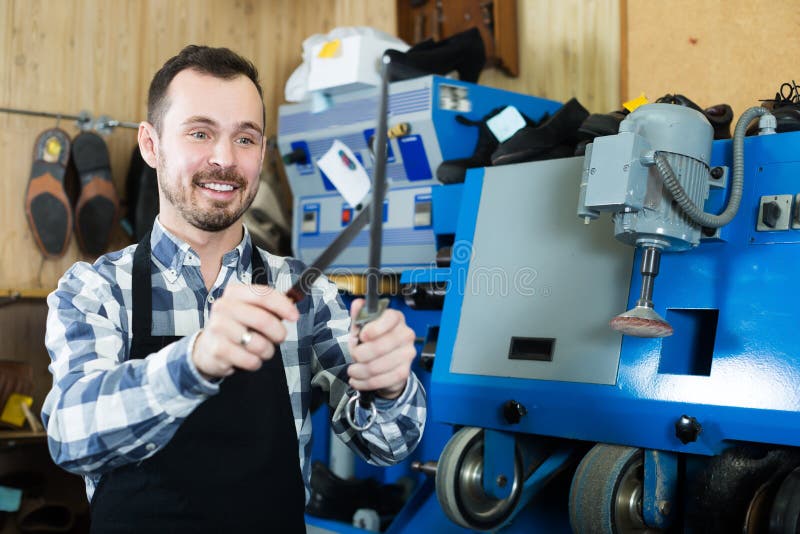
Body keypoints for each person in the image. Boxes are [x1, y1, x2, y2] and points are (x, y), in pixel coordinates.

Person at [42, 45, 426, 533]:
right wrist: (194, 362)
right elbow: (71, 437)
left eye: (245, 138)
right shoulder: (96, 290)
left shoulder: (307, 293)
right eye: (200, 133)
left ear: (262, 152)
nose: (224, 159)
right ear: (151, 144)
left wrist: (391, 387)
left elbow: (388, 446)